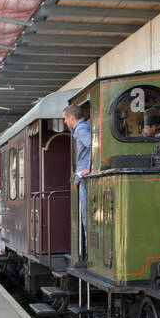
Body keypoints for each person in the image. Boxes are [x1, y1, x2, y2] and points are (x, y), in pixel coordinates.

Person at [63, 99, 91, 266]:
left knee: (86, 216)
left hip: (84, 177)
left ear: (71, 118)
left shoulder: (81, 129)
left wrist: (87, 167)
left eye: (65, 118)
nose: (65, 122)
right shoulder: (82, 128)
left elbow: (92, 146)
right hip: (81, 174)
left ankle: (87, 255)